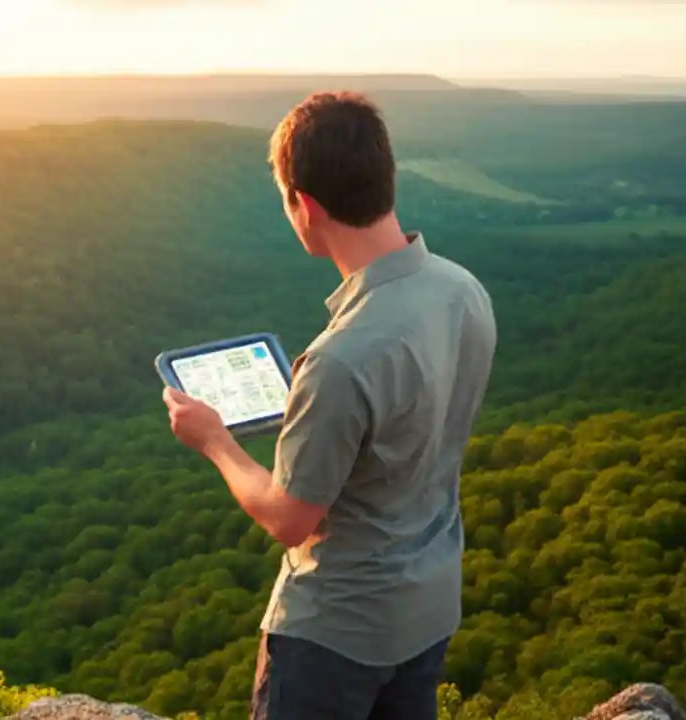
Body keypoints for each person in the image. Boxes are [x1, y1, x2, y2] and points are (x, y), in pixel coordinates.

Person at [162, 91, 497, 720]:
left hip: (335, 634)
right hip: (427, 611)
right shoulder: (462, 290)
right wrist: (324, 414)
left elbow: (291, 519)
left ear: (306, 206)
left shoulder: (340, 359)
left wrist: (214, 439)